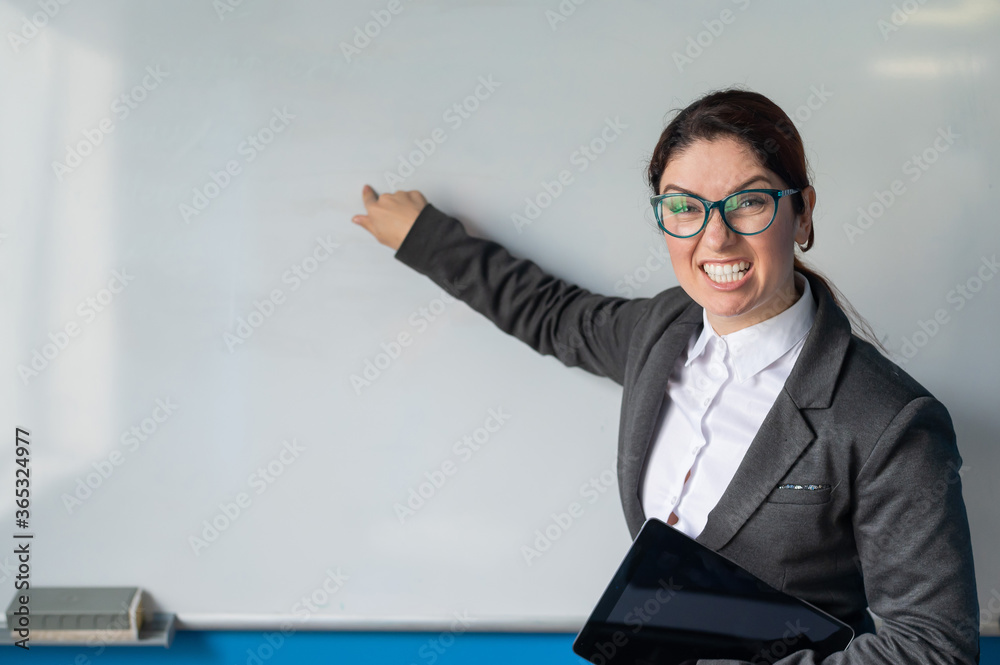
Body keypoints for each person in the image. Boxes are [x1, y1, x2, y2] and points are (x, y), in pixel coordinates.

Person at [351, 88, 980, 664]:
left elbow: (933, 649)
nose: (717, 238)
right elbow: (550, 312)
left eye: (751, 202)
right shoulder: (662, 330)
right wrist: (426, 241)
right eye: (684, 208)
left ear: (803, 214)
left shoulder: (888, 421)